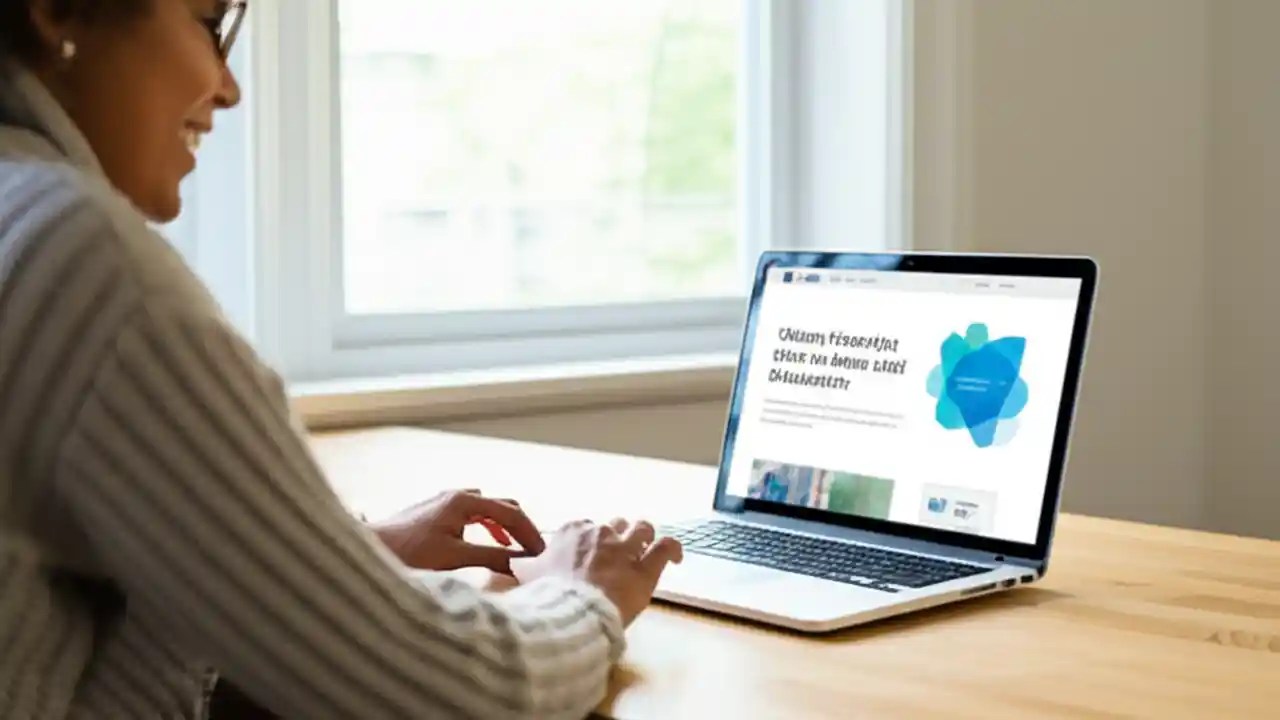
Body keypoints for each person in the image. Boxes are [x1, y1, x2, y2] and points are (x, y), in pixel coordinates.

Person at [0, 1, 683, 718]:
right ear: (52, 13)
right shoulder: (82, 259)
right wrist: (585, 594)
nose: (228, 88)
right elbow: (453, 693)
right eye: (210, 25)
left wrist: (316, 562)